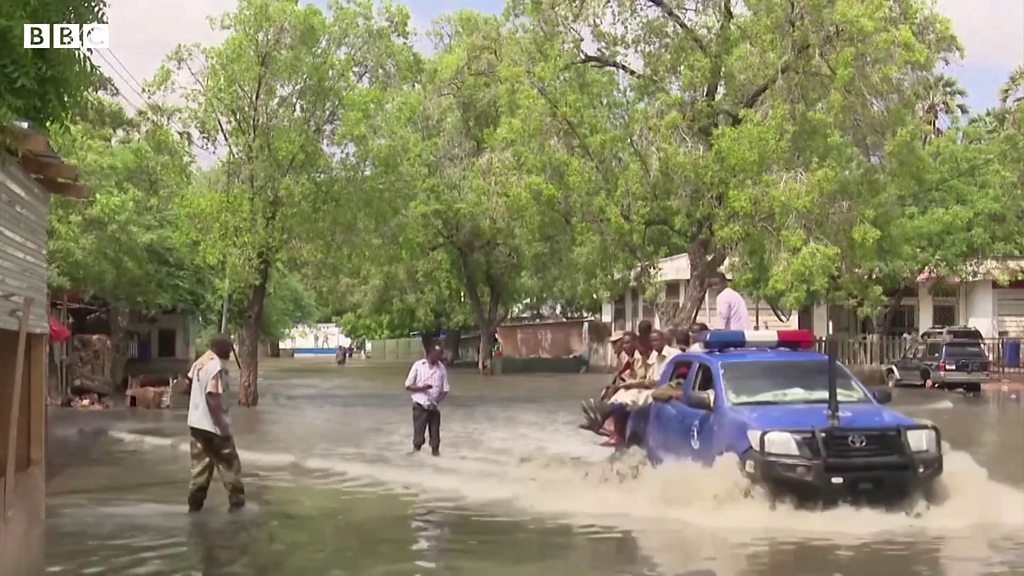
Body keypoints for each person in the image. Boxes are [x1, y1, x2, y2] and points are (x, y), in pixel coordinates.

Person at [186, 334, 244, 513]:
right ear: (221, 348)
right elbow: (212, 396)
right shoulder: (216, 366)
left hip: (196, 424)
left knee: (200, 469)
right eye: (228, 348)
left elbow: (188, 383)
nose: (230, 352)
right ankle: (238, 508)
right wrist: (222, 423)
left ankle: (194, 508)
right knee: (230, 465)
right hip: (213, 426)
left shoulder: (200, 362)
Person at [404, 343, 450, 456]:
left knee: (435, 432)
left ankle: (435, 452)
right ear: (431, 354)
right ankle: (416, 452)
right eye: (438, 355)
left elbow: (445, 390)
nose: (440, 357)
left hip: (433, 405)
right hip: (419, 404)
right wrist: (422, 388)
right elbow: (408, 386)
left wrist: (436, 402)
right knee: (418, 431)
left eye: (441, 355)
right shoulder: (418, 366)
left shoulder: (441, 368)